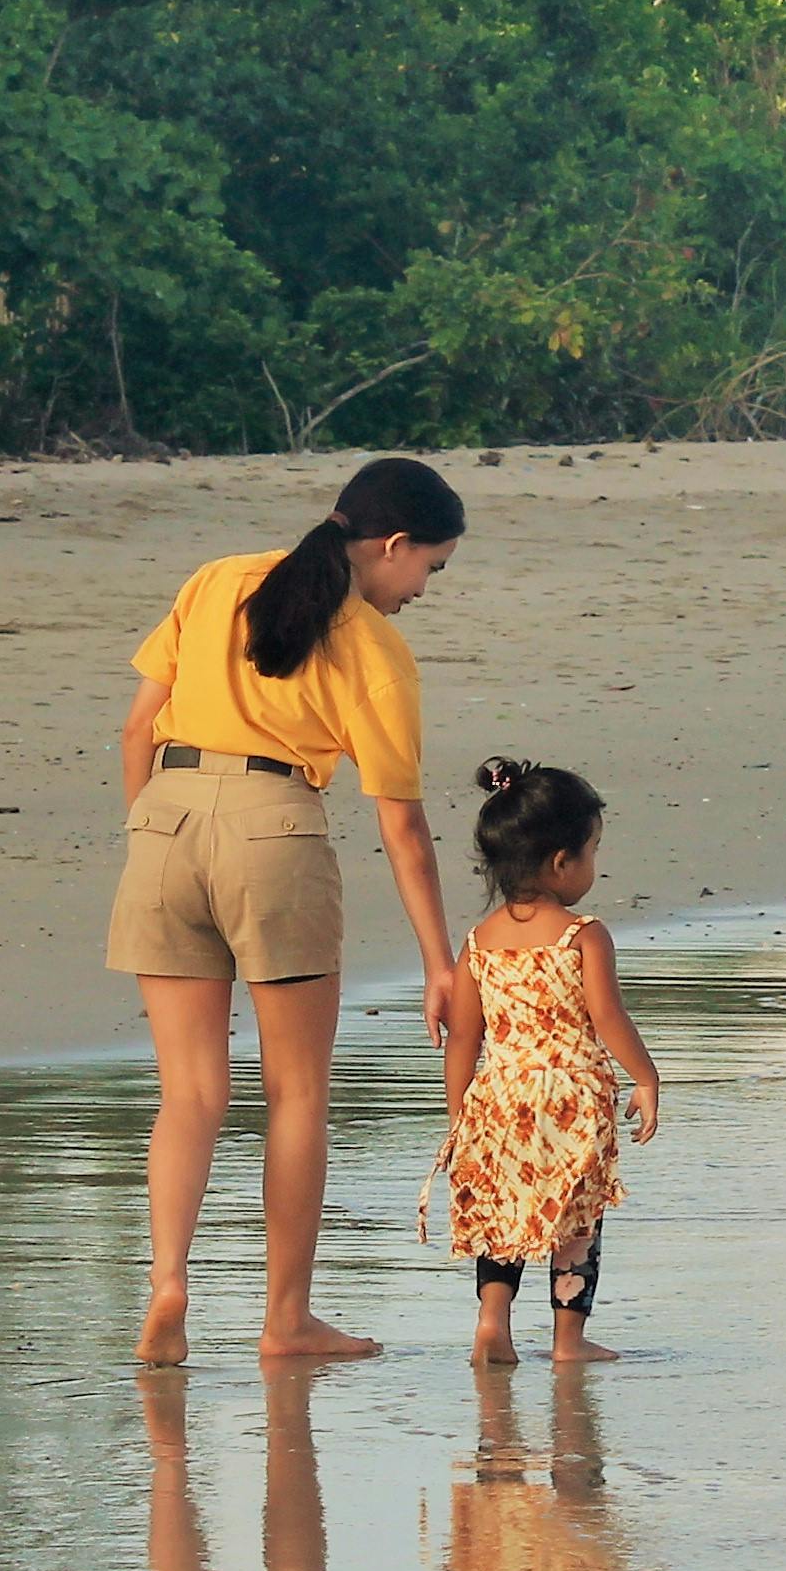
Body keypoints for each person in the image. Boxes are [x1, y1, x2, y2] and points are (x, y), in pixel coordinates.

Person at [107, 455, 469, 1367]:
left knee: (187, 1094)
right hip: (274, 834)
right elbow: (405, 826)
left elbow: (136, 729)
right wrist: (439, 963)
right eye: (430, 566)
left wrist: (152, 831)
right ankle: (285, 1320)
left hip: (165, 823)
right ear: (391, 546)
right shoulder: (376, 651)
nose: (424, 588)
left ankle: (169, 1284)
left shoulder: (218, 578)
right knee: (297, 1092)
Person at [434, 755, 660, 1369]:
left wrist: (461, 1116)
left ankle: (491, 1321)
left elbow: (463, 1037)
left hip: (500, 1098)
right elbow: (609, 1017)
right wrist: (646, 1076)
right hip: (571, 1100)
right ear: (562, 862)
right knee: (576, 1220)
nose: (593, 865)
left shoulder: (479, 940)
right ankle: (568, 1342)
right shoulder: (582, 934)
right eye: (591, 851)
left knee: (504, 1212)